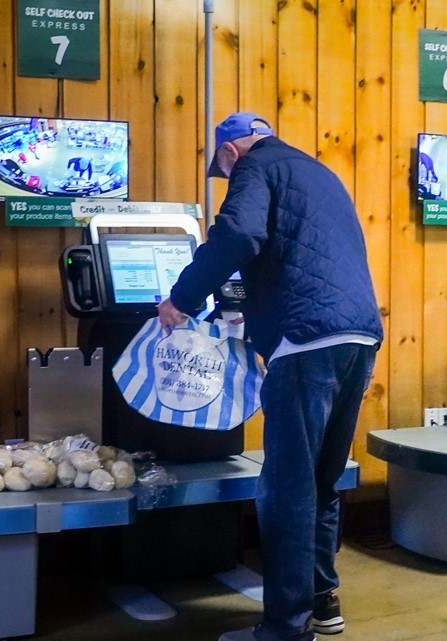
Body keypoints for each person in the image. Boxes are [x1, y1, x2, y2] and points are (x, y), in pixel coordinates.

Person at [157, 112, 383, 641]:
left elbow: (237, 233)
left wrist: (182, 299)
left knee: (285, 488)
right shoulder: (317, 172)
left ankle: (285, 627)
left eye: (223, 167)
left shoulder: (254, 168)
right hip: (358, 335)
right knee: (323, 480)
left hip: (305, 341)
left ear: (231, 153)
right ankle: (323, 603)